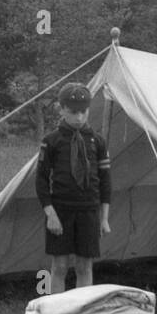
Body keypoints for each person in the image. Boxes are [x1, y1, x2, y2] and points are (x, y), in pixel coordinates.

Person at [36, 83, 111, 293]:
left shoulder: (98, 141)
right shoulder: (52, 141)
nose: (79, 117)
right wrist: (50, 214)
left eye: (83, 112)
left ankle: (81, 312)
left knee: (84, 266)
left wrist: (104, 218)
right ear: (62, 109)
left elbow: (106, 181)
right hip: (61, 210)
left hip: (89, 210)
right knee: (59, 266)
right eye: (73, 112)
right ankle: (56, 311)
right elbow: (41, 180)